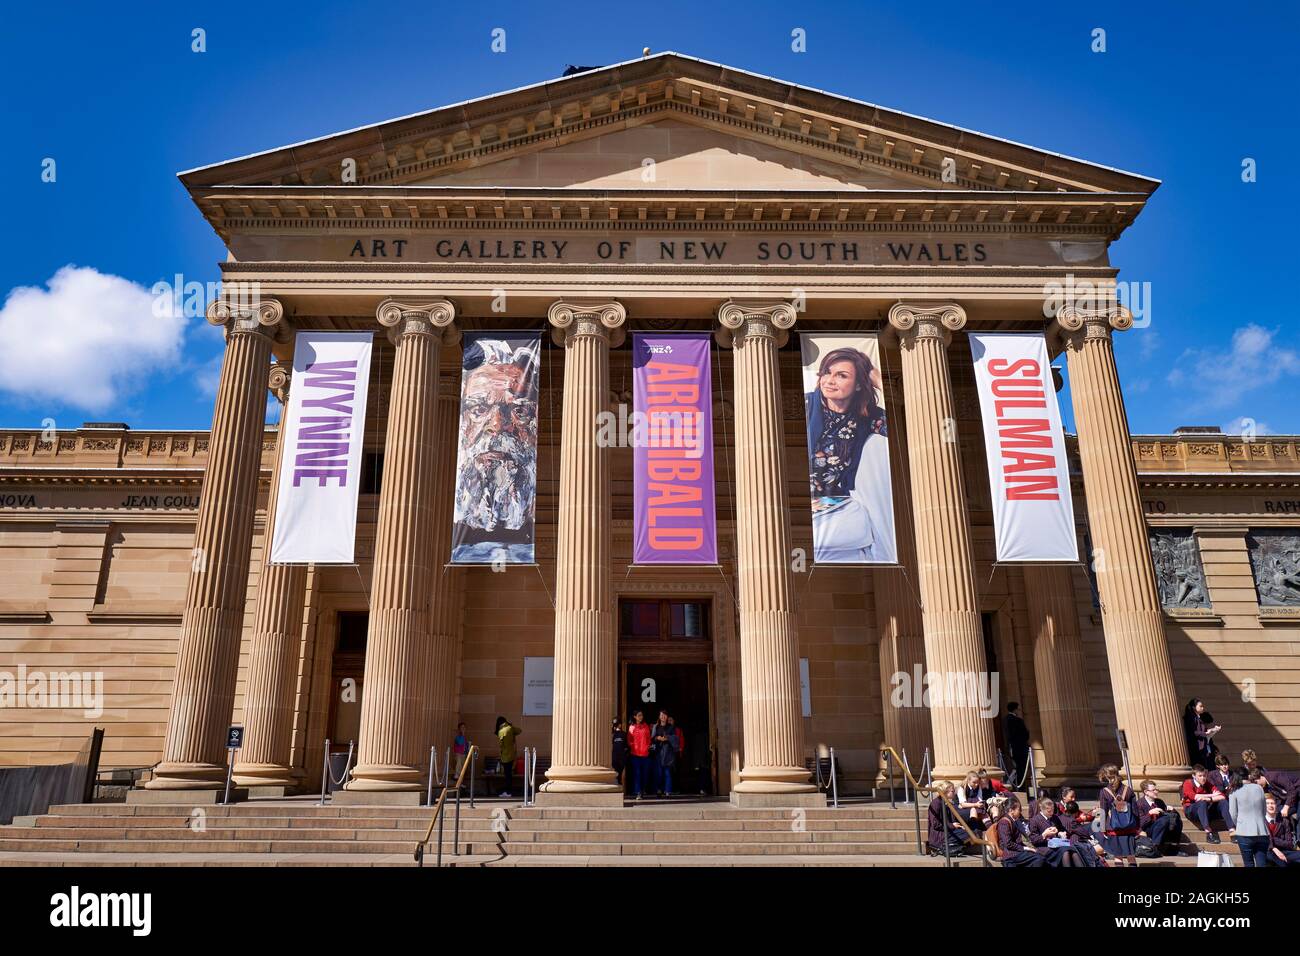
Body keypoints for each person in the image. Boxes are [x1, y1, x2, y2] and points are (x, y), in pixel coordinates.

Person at [804, 346, 896, 563]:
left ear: (858, 385)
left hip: (837, 507)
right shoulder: (806, 404)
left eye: (841, 375)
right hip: (800, 504)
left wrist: (880, 381)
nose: (829, 380)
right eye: (827, 372)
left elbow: (913, 425)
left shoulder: (868, 416)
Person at [1181, 764, 1234, 844]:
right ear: (1193, 776)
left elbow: (1222, 796)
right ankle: (1208, 832)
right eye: (1200, 776)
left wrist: (1209, 799)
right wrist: (1211, 795)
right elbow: (1194, 797)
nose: (1203, 778)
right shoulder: (1188, 783)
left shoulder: (1207, 784)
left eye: (1204, 775)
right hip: (1191, 810)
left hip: (1206, 810)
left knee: (1223, 802)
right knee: (1202, 802)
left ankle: (1232, 830)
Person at [1097, 764, 1138, 866]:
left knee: (1118, 856)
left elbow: (1103, 811)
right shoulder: (1128, 790)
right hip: (1129, 827)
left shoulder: (1104, 792)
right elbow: (1135, 811)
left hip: (1113, 827)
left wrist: (1102, 828)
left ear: (1106, 776)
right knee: (1131, 856)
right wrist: (1138, 827)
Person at [1027, 796, 1084, 866]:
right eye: (1049, 811)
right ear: (1041, 809)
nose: (1051, 813)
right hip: (1044, 847)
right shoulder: (1034, 820)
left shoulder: (1055, 817)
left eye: (1053, 810)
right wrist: (1044, 834)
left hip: (1058, 843)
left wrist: (1060, 833)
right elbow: (1033, 840)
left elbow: (1061, 830)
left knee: (1073, 850)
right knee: (1065, 851)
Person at [1229, 769, 1270, 867]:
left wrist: (1239, 823)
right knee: (1262, 863)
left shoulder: (1234, 791)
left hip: (1244, 831)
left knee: (1248, 863)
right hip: (1262, 831)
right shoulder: (1259, 788)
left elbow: (1233, 813)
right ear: (1248, 776)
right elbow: (1264, 810)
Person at [1135, 780, 1184, 856]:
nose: (1156, 792)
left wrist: (1172, 810)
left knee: (1177, 820)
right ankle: (1155, 847)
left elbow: (1169, 816)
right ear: (1146, 792)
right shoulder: (1139, 804)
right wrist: (1150, 813)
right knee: (1164, 820)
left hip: (1161, 828)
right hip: (1147, 830)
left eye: (1156, 789)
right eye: (1153, 790)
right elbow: (1139, 823)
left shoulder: (1159, 802)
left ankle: (1173, 847)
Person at [992, 796, 1045, 867]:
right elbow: (1008, 843)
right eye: (1018, 809)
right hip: (1010, 855)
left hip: (1017, 852)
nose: (1020, 811)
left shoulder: (1015, 821)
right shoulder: (1004, 822)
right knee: (1039, 859)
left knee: (1040, 855)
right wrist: (1025, 848)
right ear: (1011, 810)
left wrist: (1028, 848)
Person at [928, 782, 977, 856]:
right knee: (968, 834)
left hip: (947, 831)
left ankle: (953, 845)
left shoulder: (946, 802)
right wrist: (952, 825)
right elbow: (936, 825)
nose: (954, 793)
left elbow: (951, 819)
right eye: (952, 791)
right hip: (939, 836)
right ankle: (944, 846)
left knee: (971, 832)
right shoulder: (936, 804)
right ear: (945, 791)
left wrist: (959, 826)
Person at [1183, 698, 1221, 766]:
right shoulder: (1192, 718)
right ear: (1194, 707)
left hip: (1202, 747)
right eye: (1200, 706)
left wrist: (1212, 730)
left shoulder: (1198, 718)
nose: (1203, 708)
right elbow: (1193, 732)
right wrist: (1205, 733)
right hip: (1197, 747)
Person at [1264, 793, 1300, 866]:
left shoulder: (1284, 821)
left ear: (1276, 805)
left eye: (1272, 803)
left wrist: (1272, 840)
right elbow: (1263, 842)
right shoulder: (1261, 821)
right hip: (1267, 851)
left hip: (1284, 851)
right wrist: (1273, 847)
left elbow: (1289, 843)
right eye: (1267, 803)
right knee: (1272, 856)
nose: (1270, 805)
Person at [1004, 703, 1031, 790]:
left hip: (1011, 747)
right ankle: (1021, 788)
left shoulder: (1005, 719)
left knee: (1015, 767)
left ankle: (1014, 784)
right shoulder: (1018, 720)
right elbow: (1025, 735)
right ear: (1015, 709)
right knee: (1021, 769)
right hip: (1020, 748)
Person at [494, 716, 522, 797]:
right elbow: (519, 730)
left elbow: (501, 745)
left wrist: (500, 755)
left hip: (505, 756)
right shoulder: (510, 728)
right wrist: (511, 726)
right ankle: (509, 791)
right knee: (509, 774)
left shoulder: (501, 731)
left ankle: (508, 792)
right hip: (512, 755)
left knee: (507, 775)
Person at [651, 710, 677, 797]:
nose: (663, 717)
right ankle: (658, 789)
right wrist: (658, 738)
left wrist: (667, 738)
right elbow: (652, 738)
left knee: (667, 772)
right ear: (659, 717)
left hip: (668, 752)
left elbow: (675, 738)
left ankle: (667, 791)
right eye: (662, 715)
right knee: (658, 773)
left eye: (665, 715)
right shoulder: (656, 727)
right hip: (658, 752)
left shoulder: (671, 727)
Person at [627, 710, 652, 799]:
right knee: (637, 774)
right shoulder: (632, 727)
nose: (641, 717)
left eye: (642, 715)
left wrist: (647, 746)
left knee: (644, 774)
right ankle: (638, 792)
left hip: (645, 754)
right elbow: (629, 740)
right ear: (635, 717)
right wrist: (634, 746)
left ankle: (643, 790)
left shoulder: (646, 726)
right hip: (635, 754)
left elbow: (649, 738)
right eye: (639, 715)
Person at [611, 718, 628, 788]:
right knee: (615, 774)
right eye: (615, 725)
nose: (615, 727)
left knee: (620, 774)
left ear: (620, 725)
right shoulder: (612, 734)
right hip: (614, 757)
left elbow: (627, 746)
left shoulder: (624, 734)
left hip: (621, 757)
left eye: (617, 725)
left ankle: (620, 789)